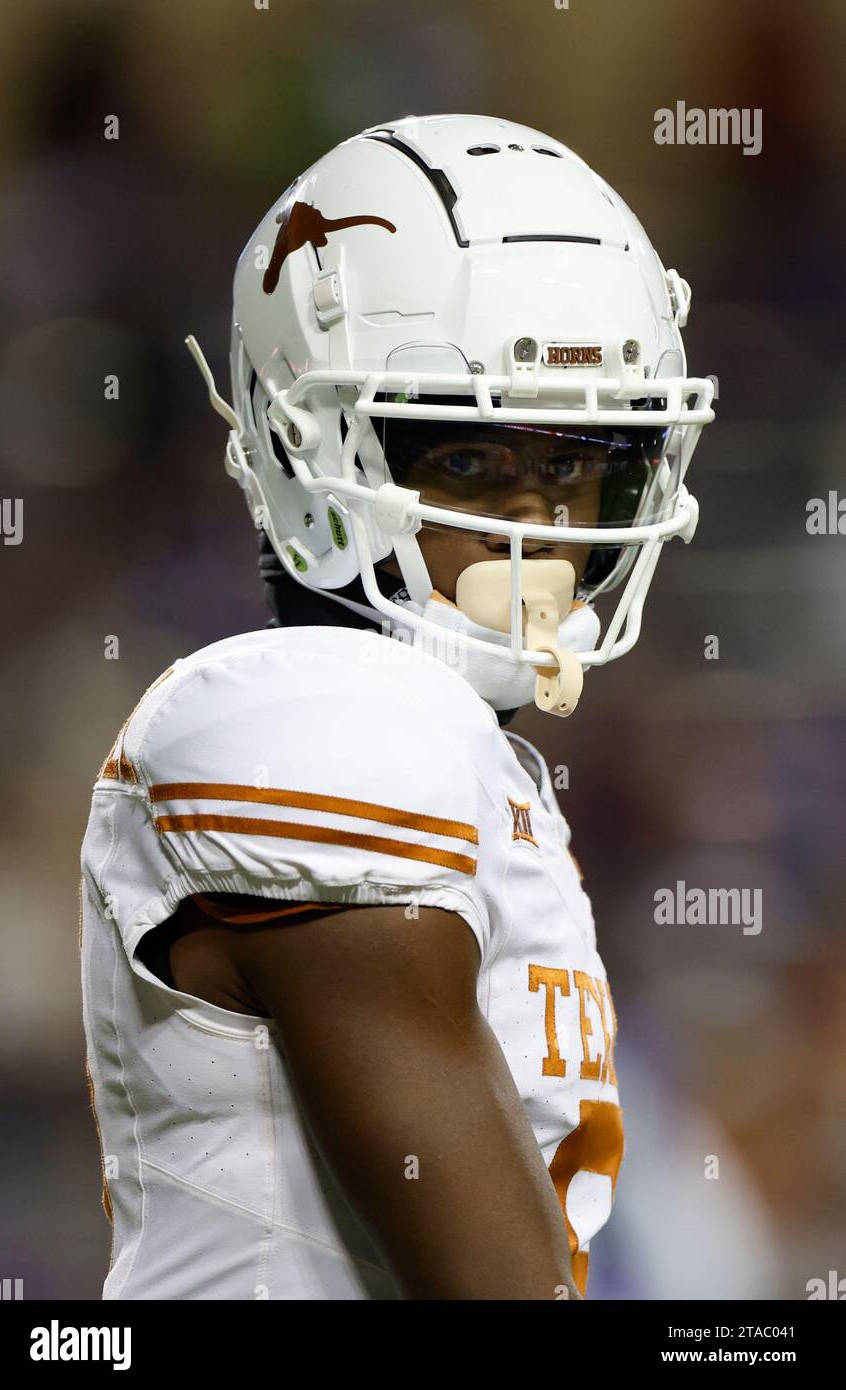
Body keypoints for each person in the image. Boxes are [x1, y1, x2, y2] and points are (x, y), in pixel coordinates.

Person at [80, 113, 714, 1300]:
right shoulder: (317, 721)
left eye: (575, 461)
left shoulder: (468, 762)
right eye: (468, 459)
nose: (537, 523)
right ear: (304, 442)